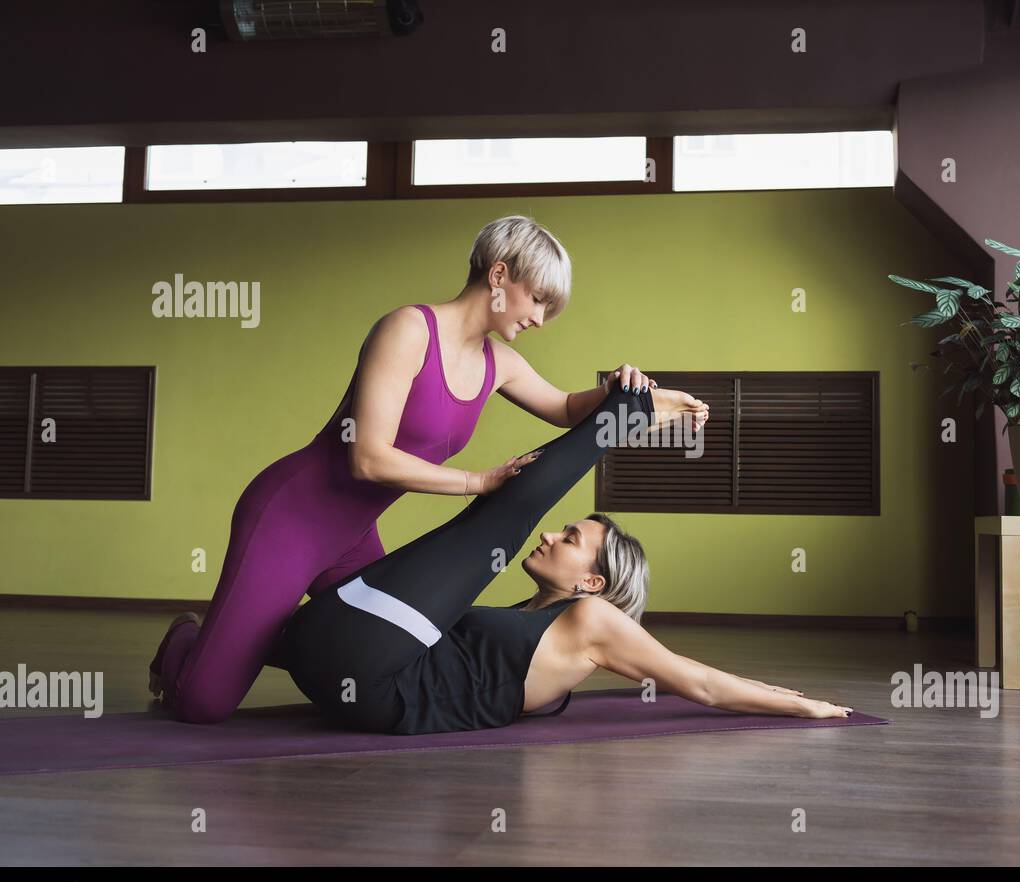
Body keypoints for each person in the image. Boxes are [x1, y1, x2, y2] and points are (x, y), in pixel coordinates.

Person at [150, 214, 665, 723]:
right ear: (500, 276)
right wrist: (476, 482)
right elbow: (368, 458)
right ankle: (188, 640)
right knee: (204, 705)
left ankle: (238, 639)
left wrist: (624, 387)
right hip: (291, 517)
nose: (539, 318)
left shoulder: (497, 362)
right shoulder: (408, 330)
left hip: (351, 533)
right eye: (538, 299)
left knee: (377, 640)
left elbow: (568, 408)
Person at [275, 381, 853, 734]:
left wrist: (796, 706)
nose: (551, 537)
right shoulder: (535, 616)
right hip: (333, 656)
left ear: (593, 583)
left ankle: (627, 414)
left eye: (571, 540)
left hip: (373, 684)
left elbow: (695, 681)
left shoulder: (593, 622)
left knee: (493, 519)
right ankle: (199, 653)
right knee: (446, 528)